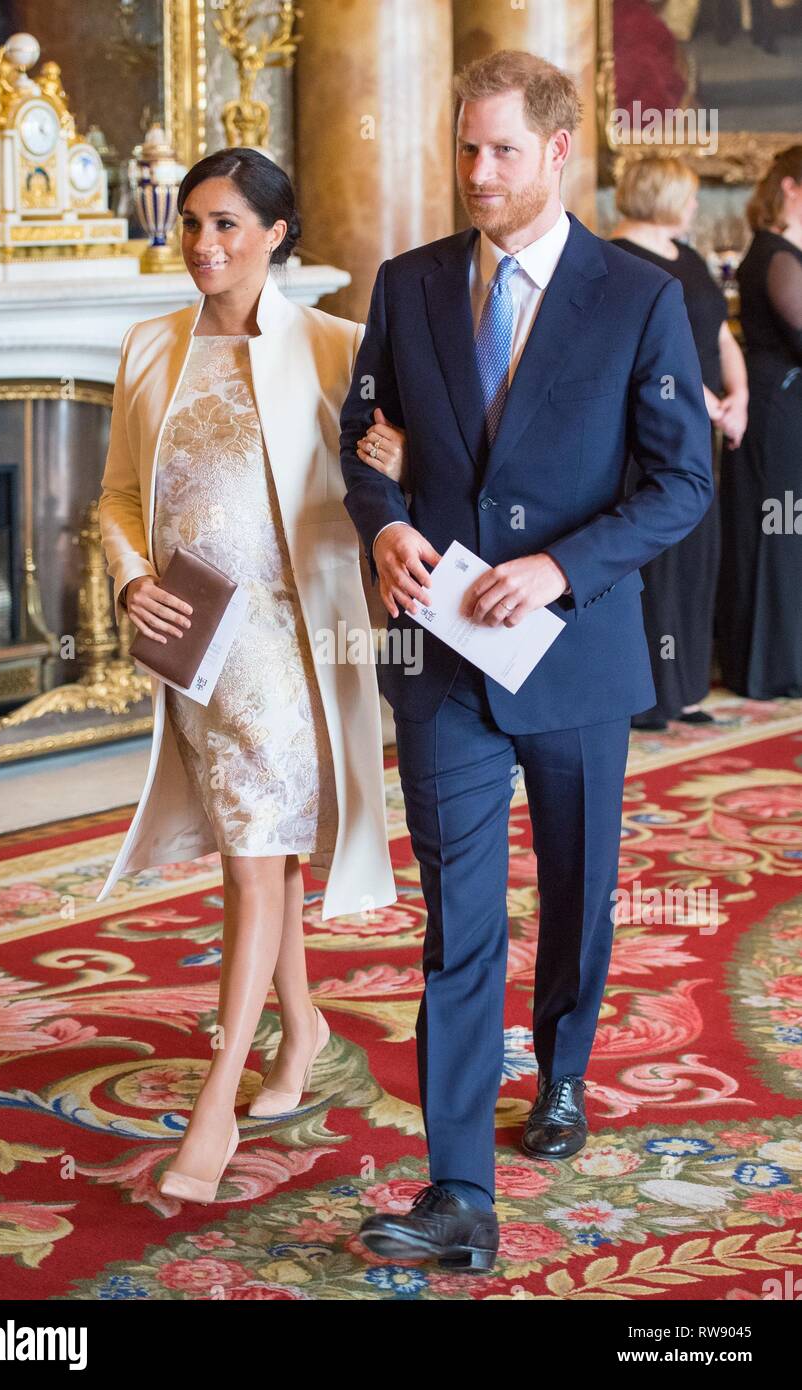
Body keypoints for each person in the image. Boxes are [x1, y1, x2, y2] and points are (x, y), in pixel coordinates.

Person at [340, 48, 713, 1273]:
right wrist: (384, 520)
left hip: (572, 650)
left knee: (575, 885)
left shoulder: (634, 297)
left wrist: (560, 568)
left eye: (500, 150)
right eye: (463, 148)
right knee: (458, 924)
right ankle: (458, 1191)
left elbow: (680, 484)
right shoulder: (403, 285)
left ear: (556, 152)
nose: (476, 172)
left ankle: (561, 1071)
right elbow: (360, 439)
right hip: (441, 659)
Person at [95, 148, 398, 1205]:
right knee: (253, 851)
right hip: (193, 651)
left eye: (225, 225)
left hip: (286, 641)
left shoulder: (336, 346)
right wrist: (131, 581)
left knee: (253, 857)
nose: (202, 246)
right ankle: (303, 1022)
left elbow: (390, 474)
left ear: (277, 234)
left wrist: (397, 472)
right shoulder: (146, 346)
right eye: (189, 224)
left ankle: (218, 1096)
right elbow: (117, 499)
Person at [610, 155, 748, 730]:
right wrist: (704, 400)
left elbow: (718, 331)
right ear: (663, 195)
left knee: (696, 554)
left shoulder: (687, 256)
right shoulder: (614, 257)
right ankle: (646, 695)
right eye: (689, 195)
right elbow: (644, 349)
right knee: (656, 560)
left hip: (703, 425)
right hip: (650, 432)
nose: (696, 205)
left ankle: (687, 687)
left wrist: (736, 394)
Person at [716, 145, 802, 698]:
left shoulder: (788, 251)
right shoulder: (774, 254)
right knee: (774, 534)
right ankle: (768, 667)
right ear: (791, 188)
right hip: (774, 412)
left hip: (788, 407)